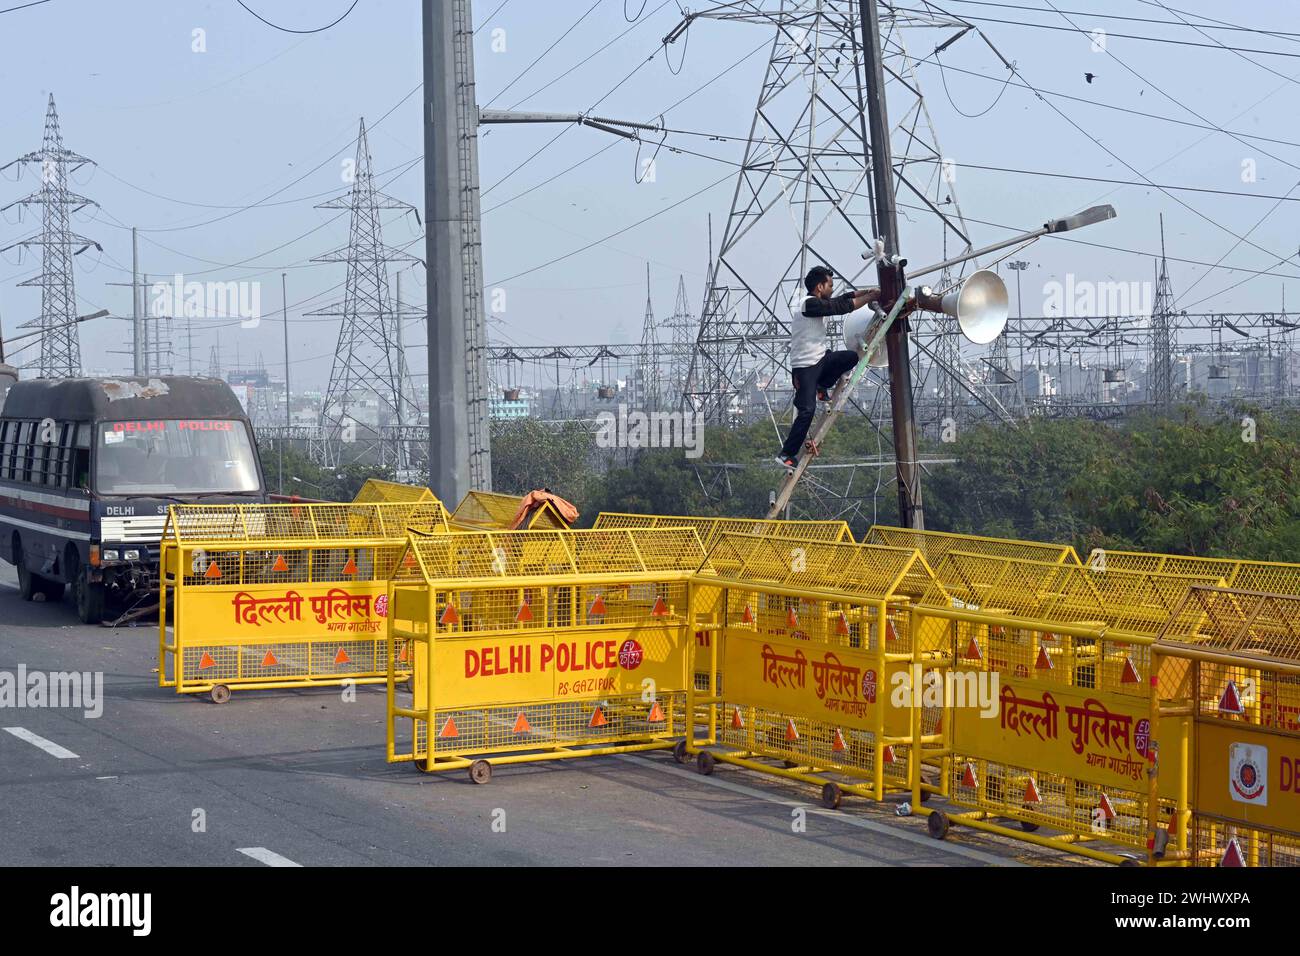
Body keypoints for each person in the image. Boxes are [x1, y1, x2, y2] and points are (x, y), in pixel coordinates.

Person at [776, 266, 879, 468]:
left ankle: (822, 386)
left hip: (820, 360)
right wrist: (870, 297)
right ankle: (786, 454)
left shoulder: (818, 301)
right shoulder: (808, 305)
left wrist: (869, 292)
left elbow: (842, 299)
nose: (832, 289)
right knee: (807, 410)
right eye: (830, 285)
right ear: (819, 286)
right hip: (804, 369)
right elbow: (840, 306)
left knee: (850, 357)